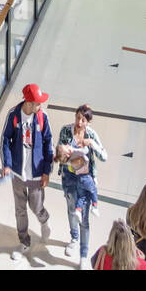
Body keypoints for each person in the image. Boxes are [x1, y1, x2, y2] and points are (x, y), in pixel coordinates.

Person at [1, 82, 53, 257]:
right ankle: (24, 241)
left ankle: (44, 221)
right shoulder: (14, 115)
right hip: (17, 173)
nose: (40, 105)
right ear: (28, 103)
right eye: (38, 102)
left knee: (36, 207)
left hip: (36, 173)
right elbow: (5, 140)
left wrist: (46, 171)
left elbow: (49, 146)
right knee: (20, 209)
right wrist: (7, 164)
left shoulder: (42, 117)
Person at [57, 104, 107, 268]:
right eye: (77, 118)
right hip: (69, 178)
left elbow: (104, 156)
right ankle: (74, 238)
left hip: (85, 180)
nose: (79, 122)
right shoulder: (65, 131)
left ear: (88, 122)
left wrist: (91, 143)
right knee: (72, 211)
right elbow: (58, 156)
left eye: (83, 120)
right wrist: (64, 153)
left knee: (84, 219)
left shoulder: (91, 135)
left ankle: (84, 255)